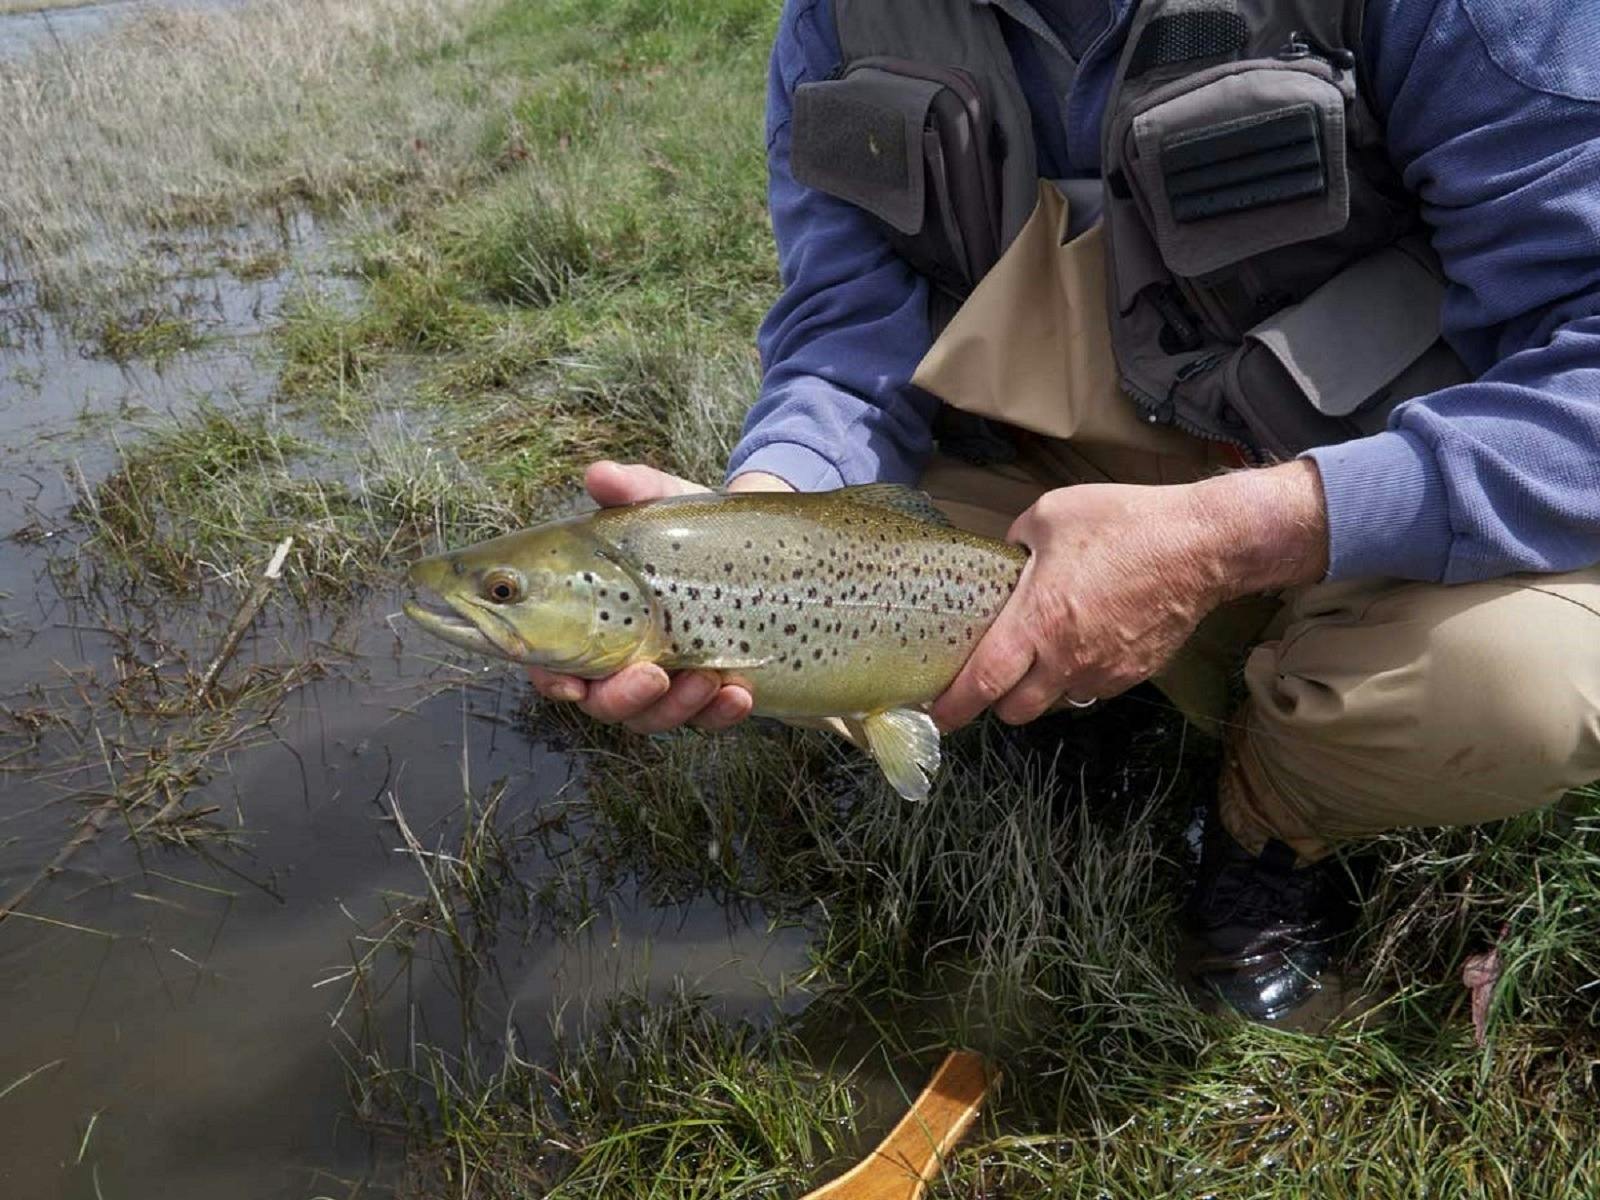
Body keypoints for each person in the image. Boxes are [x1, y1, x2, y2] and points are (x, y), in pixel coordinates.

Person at [530, 0, 1600, 1021]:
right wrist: (762, 525)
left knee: (1519, 685)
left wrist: (1219, 541)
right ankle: (1119, 690)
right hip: (1060, 479)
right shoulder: (838, 20)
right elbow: (846, 338)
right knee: (836, 589)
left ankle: (1269, 822)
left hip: (1383, 495)